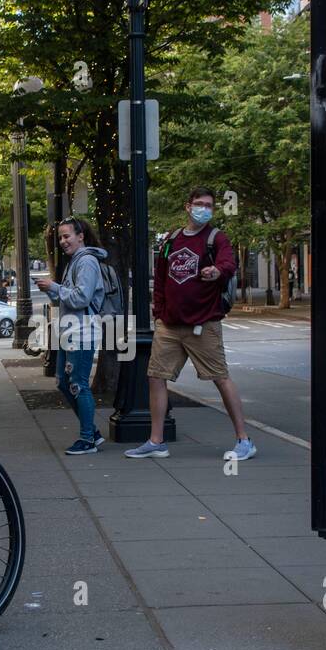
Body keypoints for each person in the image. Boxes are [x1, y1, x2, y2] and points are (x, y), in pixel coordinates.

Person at [126, 186, 256, 462]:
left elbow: (228, 265)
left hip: (203, 324)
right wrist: (159, 312)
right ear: (188, 206)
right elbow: (160, 279)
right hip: (170, 326)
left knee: (220, 378)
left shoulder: (216, 238)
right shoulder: (172, 239)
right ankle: (156, 441)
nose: (204, 209)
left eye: (209, 205)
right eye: (199, 203)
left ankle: (244, 440)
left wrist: (217, 271)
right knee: (156, 377)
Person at [35, 217, 108, 455]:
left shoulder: (86, 261)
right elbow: (64, 298)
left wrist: (54, 288)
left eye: (67, 236)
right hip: (68, 330)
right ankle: (92, 433)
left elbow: (81, 298)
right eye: (60, 237)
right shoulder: (74, 262)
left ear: (81, 236)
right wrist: (51, 290)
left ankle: (88, 439)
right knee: (64, 383)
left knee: (78, 384)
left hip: (81, 332)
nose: (63, 241)